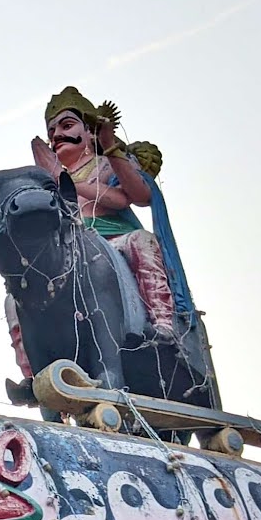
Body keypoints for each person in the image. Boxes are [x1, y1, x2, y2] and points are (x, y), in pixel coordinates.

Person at [30, 87, 178, 341]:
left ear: (90, 132)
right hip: (71, 250)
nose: (57, 135)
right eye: (52, 132)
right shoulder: (51, 180)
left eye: (67, 126)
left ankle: (164, 326)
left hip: (113, 241)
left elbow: (130, 197)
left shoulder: (107, 164)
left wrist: (70, 178)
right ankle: (34, 357)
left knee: (142, 241)